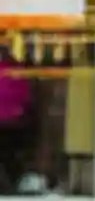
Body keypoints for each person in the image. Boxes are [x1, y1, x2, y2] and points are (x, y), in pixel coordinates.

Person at [0, 47, 33, 193]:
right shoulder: (16, 70)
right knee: (9, 155)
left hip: (10, 122)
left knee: (8, 154)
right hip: (14, 121)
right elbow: (26, 97)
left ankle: (13, 181)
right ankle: (15, 181)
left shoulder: (14, 70)